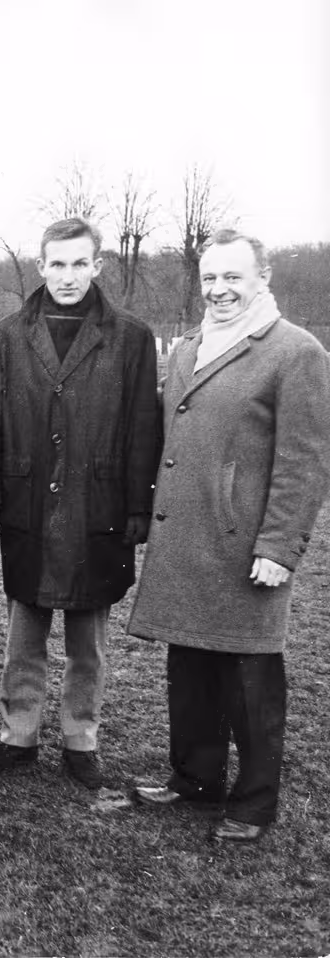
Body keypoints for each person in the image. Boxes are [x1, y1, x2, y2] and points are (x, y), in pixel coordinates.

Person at [126, 230, 330, 842]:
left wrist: (279, 547)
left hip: (245, 550)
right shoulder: (186, 348)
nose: (219, 289)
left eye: (233, 277)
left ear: (263, 278)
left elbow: (305, 460)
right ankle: (194, 778)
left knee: (250, 683)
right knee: (189, 669)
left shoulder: (295, 352)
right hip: (186, 542)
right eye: (210, 277)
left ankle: (253, 802)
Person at [0, 217, 160, 789]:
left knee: (88, 642)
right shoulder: (7, 335)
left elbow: (142, 430)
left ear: (97, 265)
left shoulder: (130, 337)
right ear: (41, 264)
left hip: (94, 508)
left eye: (80, 263)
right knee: (23, 637)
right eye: (58, 263)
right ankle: (17, 737)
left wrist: (136, 507)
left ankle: (81, 739)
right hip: (29, 503)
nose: (68, 275)